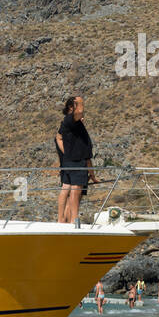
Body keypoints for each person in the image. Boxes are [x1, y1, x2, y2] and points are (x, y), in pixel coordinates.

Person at [55, 95, 99, 225]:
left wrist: (92, 174)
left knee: (66, 187)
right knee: (75, 189)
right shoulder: (70, 120)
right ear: (72, 107)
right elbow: (78, 112)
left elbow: (58, 137)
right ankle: (74, 220)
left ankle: (61, 220)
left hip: (71, 161)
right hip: (76, 162)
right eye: (80, 103)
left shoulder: (71, 123)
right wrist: (78, 103)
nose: (82, 106)